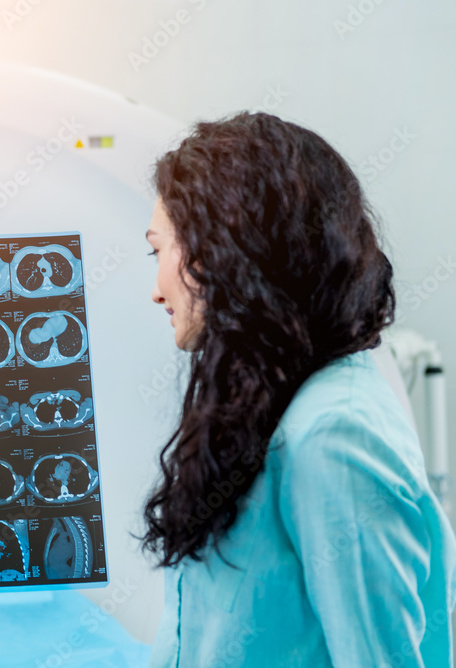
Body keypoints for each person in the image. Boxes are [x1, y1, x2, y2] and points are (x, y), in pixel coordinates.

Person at [142, 111, 456, 666]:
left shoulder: (332, 436)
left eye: (158, 251)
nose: (155, 289)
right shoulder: (267, 406)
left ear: (223, 252)